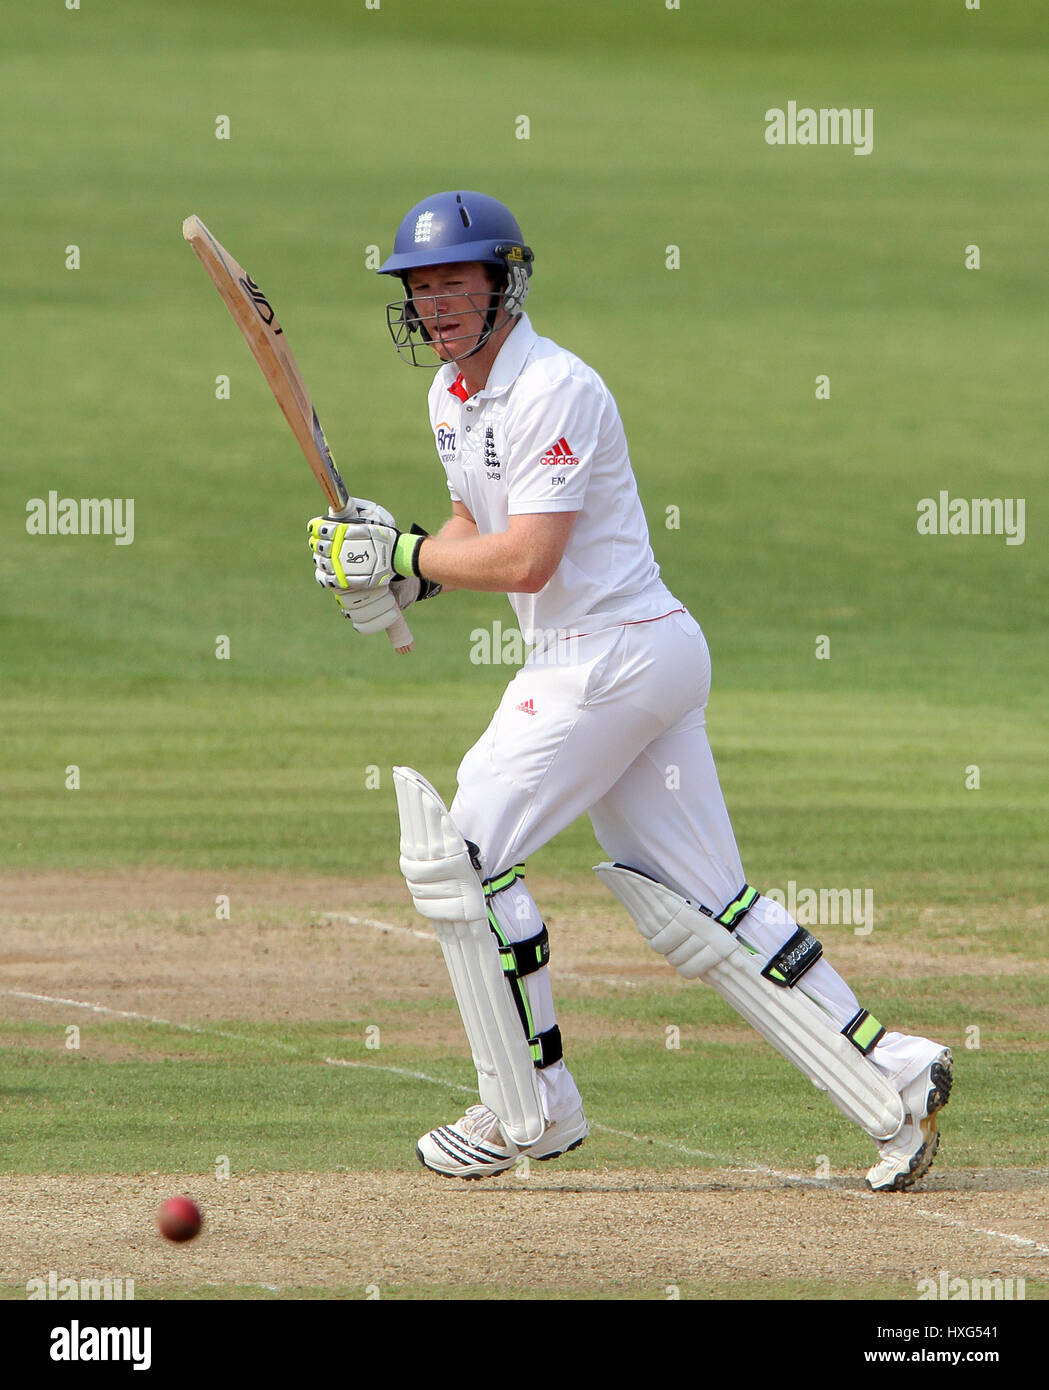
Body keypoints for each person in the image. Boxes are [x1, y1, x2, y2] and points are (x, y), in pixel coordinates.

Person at [307, 190, 952, 1192]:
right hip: (627, 656)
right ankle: (894, 1077)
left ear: (501, 285)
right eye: (417, 287)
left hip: (604, 655)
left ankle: (530, 1106)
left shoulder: (555, 388)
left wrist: (400, 550)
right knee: (704, 904)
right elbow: (475, 530)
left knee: (459, 855)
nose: (432, 304)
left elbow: (527, 559)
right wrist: (409, 572)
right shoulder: (451, 398)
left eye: (451, 283)